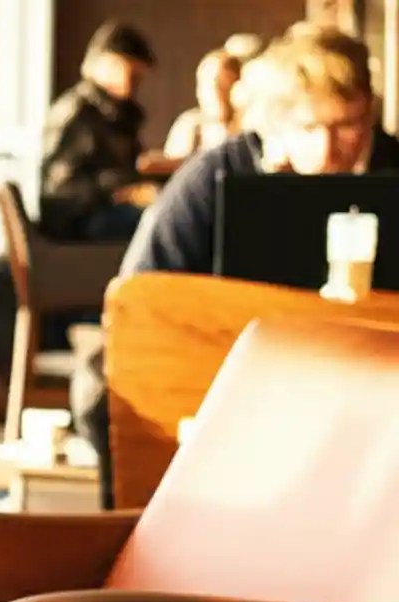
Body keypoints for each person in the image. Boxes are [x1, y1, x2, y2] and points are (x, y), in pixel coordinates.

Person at [72, 26, 399, 508]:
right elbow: (141, 298)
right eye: (310, 128)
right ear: (278, 123)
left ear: (369, 114)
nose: (329, 150)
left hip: (374, 381)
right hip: (231, 380)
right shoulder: (216, 176)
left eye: (346, 127)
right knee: (101, 385)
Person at [40, 21, 159, 240]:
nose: (135, 85)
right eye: (131, 74)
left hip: (99, 211)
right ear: (103, 63)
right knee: (157, 221)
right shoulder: (78, 113)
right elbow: (60, 188)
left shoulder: (119, 114)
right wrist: (120, 190)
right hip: (79, 221)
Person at [163, 50, 243, 158]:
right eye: (207, 85)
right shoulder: (189, 126)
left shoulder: (251, 126)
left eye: (222, 84)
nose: (215, 93)